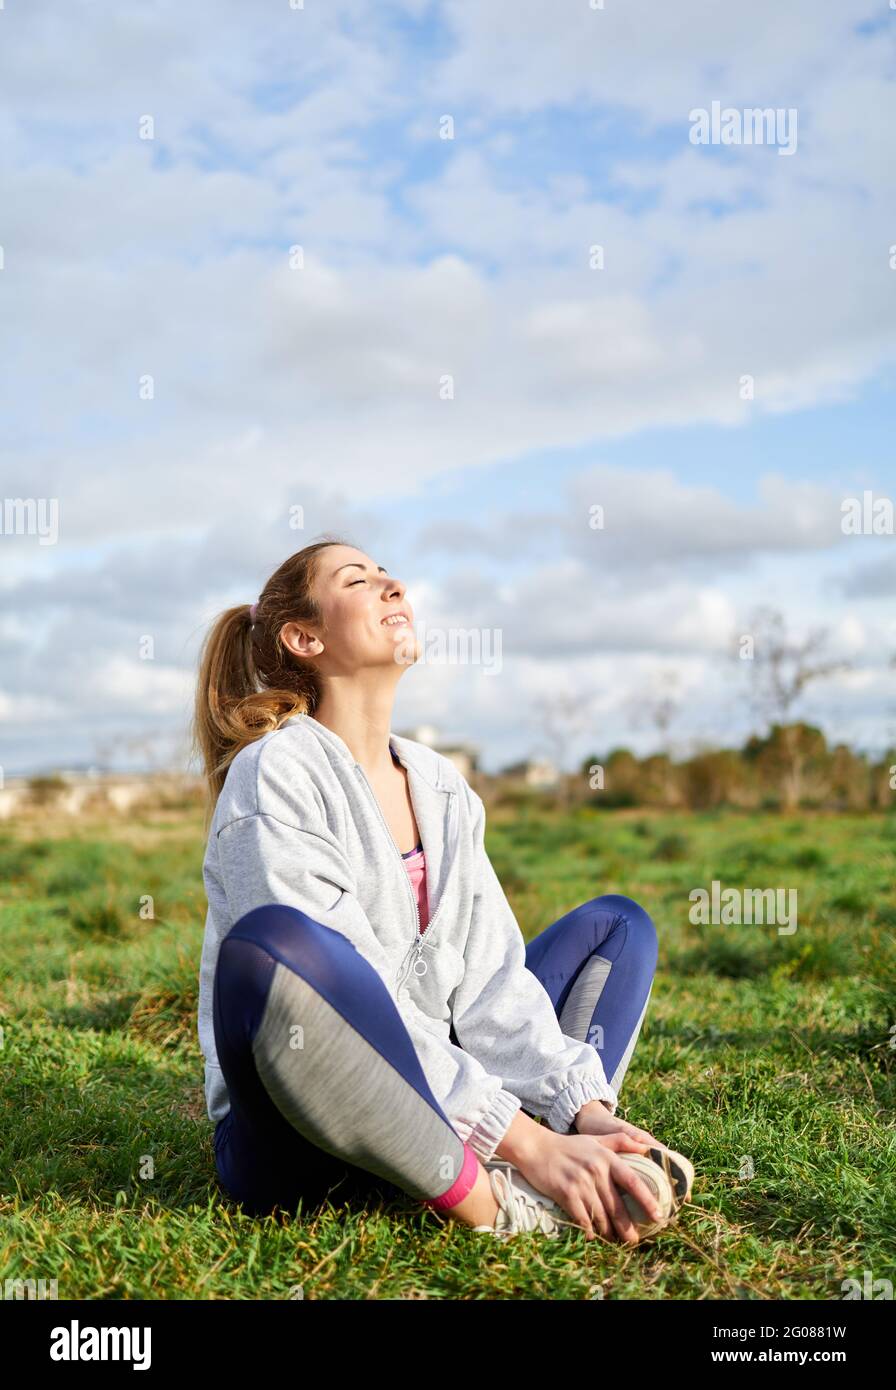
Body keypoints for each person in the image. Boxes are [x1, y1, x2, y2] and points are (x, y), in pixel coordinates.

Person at [191, 533, 694, 1243]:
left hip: (444, 1083)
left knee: (618, 927)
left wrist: (584, 1109)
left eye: (389, 575)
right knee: (276, 946)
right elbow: (356, 999)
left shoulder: (439, 783)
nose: (392, 587)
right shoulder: (277, 772)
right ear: (303, 636)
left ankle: (589, 1147)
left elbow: (492, 983)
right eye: (359, 581)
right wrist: (526, 1140)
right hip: (302, 1140)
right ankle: (499, 1200)